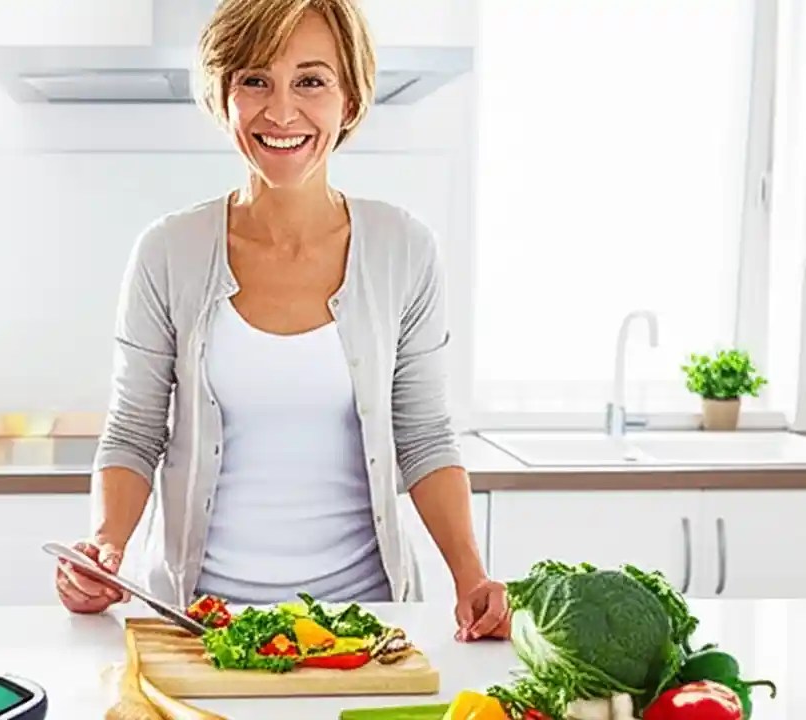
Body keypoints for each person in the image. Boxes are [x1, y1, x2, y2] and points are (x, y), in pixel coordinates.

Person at [54, 0, 508, 642]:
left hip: (364, 628)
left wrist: (471, 576)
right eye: (255, 80)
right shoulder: (168, 251)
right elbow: (133, 431)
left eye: (311, 81)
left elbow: (426, 436)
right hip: (199, 626)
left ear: (350, 99)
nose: (282, 111)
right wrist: (104, 546)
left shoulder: (404, 248)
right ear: (224, 95)